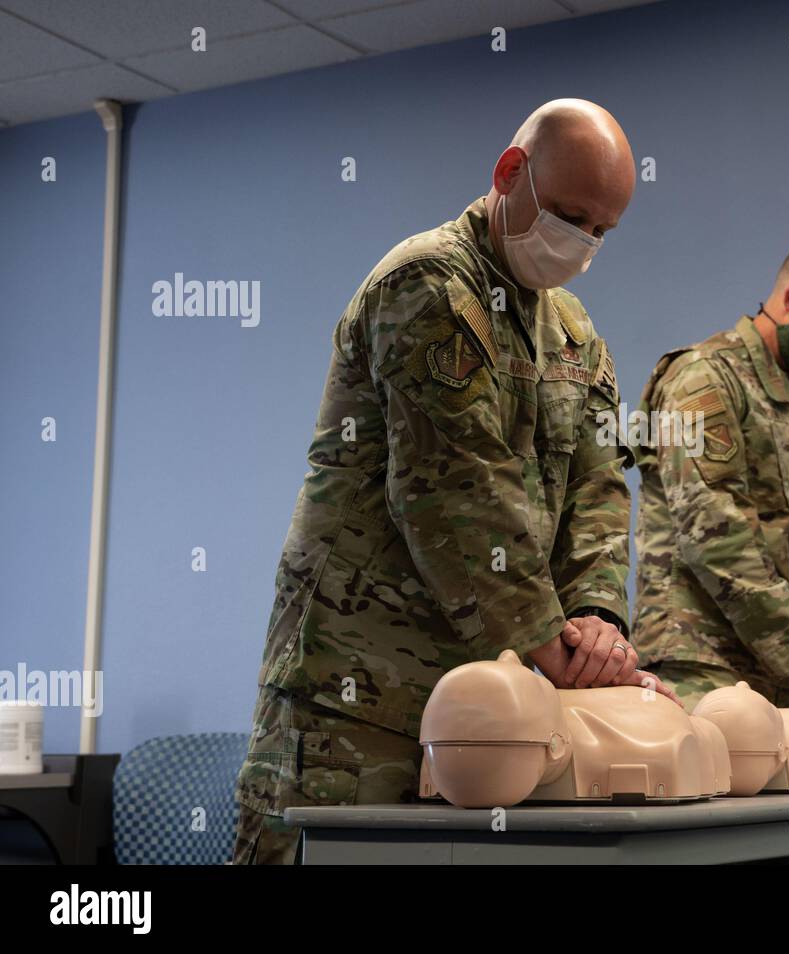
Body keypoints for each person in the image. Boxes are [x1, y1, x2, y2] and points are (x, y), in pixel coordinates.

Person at [233, 99, 677, 865]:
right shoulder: (427, 285)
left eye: (603, 231)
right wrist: (562, 652)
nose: (583, 244)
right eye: (572, 216)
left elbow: (600, 489)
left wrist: (601, 620)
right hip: (361, 688)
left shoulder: (574, 333)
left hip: (491, 706)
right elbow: (454, 488)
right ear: (510, 174)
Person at [632, 236, 789, 714]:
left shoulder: (783, 393)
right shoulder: (704, 377)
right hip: (698, 664)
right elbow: (715, 536)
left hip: (769, 665)